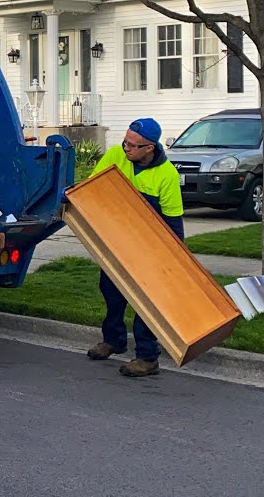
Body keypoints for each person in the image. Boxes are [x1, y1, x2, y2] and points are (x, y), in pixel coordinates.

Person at [85, 117, 185, 378]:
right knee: (111, 292)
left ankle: (147, 357)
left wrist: (175, 259)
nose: (126, 148)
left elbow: (174, 222)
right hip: (117, 240)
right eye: (125, 142)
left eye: (132, 145)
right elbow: (92, 187)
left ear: (149, 148)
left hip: (150, 248)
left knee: (145, 303)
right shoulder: (116, 155)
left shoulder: (167, 176)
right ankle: (113, 341)